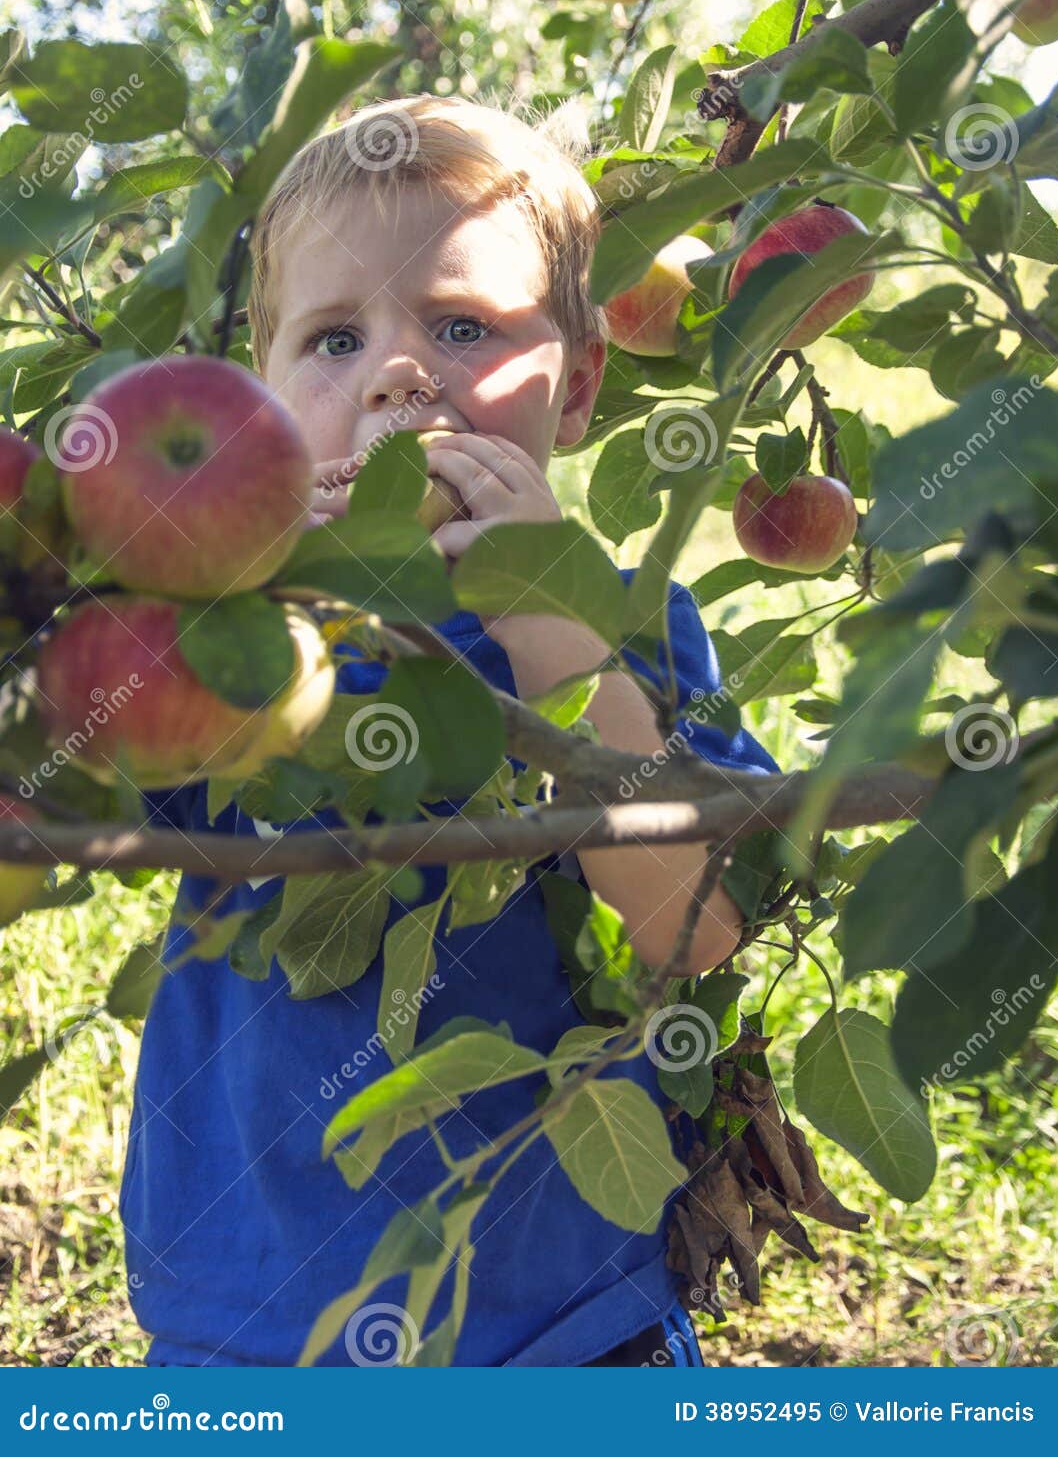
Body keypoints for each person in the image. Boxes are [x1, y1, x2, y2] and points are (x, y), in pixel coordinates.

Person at [124, 93, 777, 1367]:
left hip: (559, 1325)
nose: (397, 371)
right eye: (330, 340)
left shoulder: (630, 620)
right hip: (243, 1317)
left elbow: (693, 923)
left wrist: (557, 629)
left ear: (577, 385)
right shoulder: (221, 628)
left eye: (462, 325)